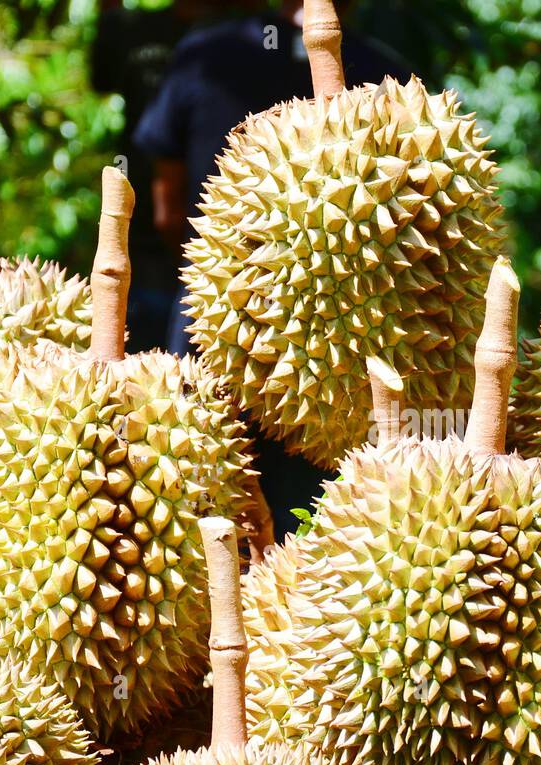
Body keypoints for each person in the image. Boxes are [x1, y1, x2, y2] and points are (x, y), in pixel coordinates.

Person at [133, 0, 410, 540]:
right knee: (325, 533)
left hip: (214, 326)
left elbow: (165, 205)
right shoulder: (390, 80)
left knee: (198, 514)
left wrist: (223, 272)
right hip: (358, 369)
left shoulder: (205, 55)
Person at [90, 0, 223, 353]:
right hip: (140, 214)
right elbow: (101, 79)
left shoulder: (242, 36)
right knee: (139, 347)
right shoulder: (132, 28)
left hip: (217, 225)